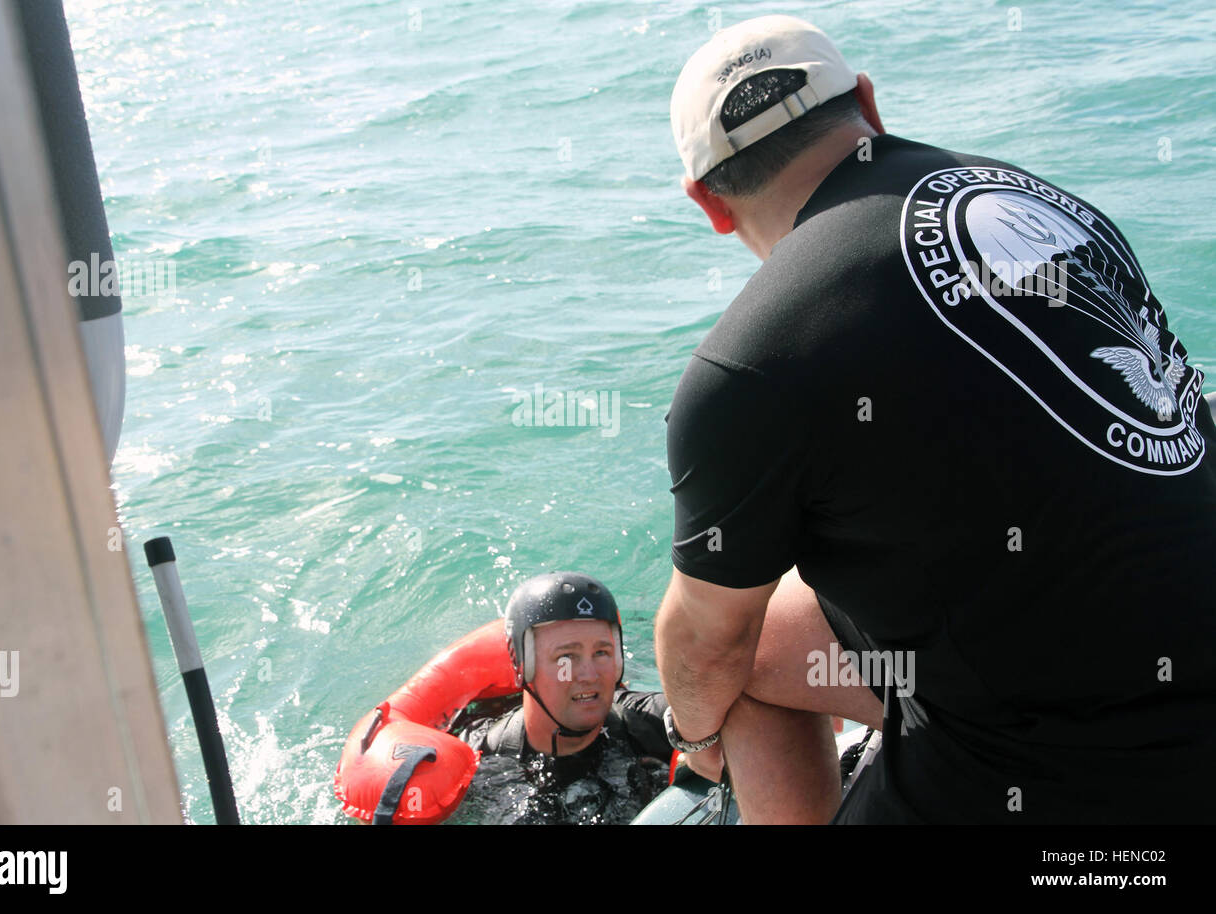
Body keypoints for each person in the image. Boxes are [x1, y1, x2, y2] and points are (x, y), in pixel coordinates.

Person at [654, 14, 1216, 824]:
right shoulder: (1047, 203)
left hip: (1069, 775)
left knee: (720, 665)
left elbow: (707, 646)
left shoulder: (747, 362)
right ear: (869, 108)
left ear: (707, 201)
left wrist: (693, 735)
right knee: (768, 644)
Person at [454, 571, 689, 825]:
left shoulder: (650, 724)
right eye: (566, 657)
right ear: (523, 665)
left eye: (601, 652)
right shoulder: (477, 762)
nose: (589, 675)